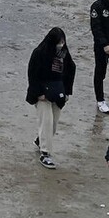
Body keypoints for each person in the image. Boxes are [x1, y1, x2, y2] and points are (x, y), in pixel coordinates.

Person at [26, 27, 76, 169]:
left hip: (58, 94)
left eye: (62, 42)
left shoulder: (64, 55)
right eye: (58, 42)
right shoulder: (39, 53)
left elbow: (71, 70)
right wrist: (37, 93)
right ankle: (45, 153)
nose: (60, 45)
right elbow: (32, 75)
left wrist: (67, 92)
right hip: (42, 95)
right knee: (46, 121)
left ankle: (40, 140)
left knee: (53, 124)